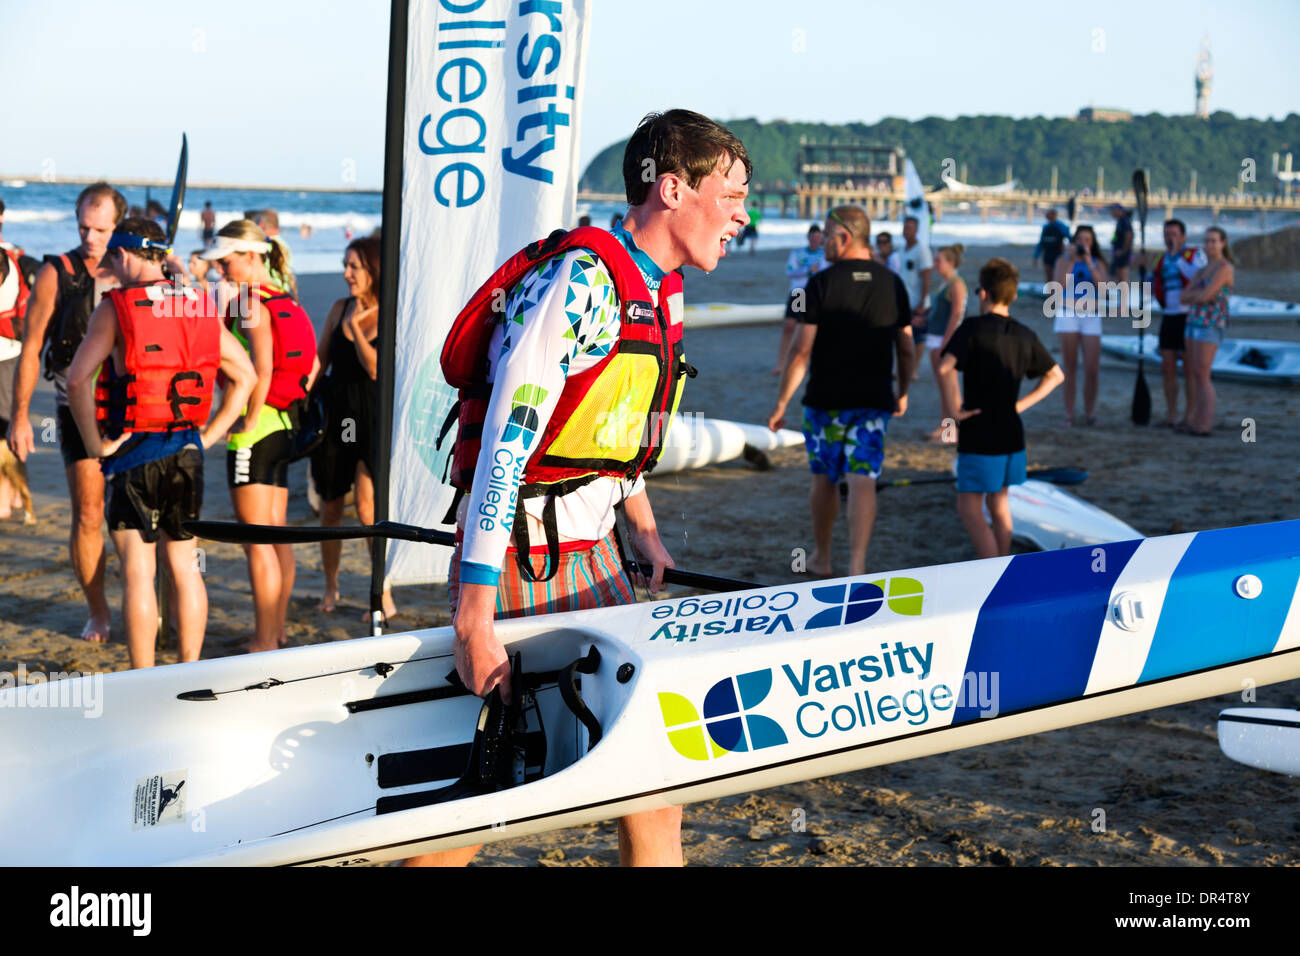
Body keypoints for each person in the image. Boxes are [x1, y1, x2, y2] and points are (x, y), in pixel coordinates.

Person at [405, 109, 751, 869]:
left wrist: (644, 528)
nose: (742, 216)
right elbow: (504, 446)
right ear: (671, 190)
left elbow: (615, 426)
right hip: (523, 566)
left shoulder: (664, 291)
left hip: (599, 560)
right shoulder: (582, 284)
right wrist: (473, 617)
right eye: (731, 195)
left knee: (655, 783)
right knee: (492, 802)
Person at [64, 218, 256, 668]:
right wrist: (208, 435)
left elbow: (76, 382)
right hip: (186, 450)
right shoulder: (200, 303)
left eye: (113, 256)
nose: (110, 265)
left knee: (138, 571)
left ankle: (143, 676)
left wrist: (96, 447)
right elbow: (245, 376)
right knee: (187, 567)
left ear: (126, 254)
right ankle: (189, 666)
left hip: (134, 451)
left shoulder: (117, 307)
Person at [766, 204, 913, 578]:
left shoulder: (820, 282)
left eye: (829, 236)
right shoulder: (893, 283)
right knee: (864, 477)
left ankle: (822, 556)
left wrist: (782, 402)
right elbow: (907, 346)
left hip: (826, 401)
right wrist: (904, 389)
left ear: (845, 238)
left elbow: (801, 350)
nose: (824, 244)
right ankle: (858, 564)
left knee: (825, 478)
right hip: (874, 398)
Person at [7, 182, 126, 643]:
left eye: (101, 229)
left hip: (135, 409)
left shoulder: (135, 269)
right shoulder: (57, 272)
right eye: (83, 226)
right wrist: (20, 415)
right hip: (76, 407)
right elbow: (31, 346)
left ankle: (153, 601)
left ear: (119, 225)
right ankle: (99, 612)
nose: (91, 237)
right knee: (89, 513)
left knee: (138, 515)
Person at [201, 219, 318, 653]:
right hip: (284, 424)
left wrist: (247, 421)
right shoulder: (285, 297)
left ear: (251, 256)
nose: (222, 270)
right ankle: (277, 629)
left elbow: (261, 369)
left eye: (227, 261)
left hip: (257, 429)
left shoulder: (251, 300)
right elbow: (314, 365)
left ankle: (264, 639)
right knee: (277, 535)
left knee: (256, 543)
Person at [937, 258, 1064, 558]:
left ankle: (991, 568)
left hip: (980, 432)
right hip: (1011, 432)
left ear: (983, 293)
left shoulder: (972, 328)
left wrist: (953, 410)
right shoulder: (1024, 334)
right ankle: (1002, 566)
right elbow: (1056, 375)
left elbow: (944, 369)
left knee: (969, 508)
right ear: (1014, 295)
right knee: (999, 502)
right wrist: (1020, 405)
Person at [310, 235, 394, 620]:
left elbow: (376, 367)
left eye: (353, 267)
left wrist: (358, 326)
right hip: (341, 419)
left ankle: (383, 591)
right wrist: (300, 399)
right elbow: (320, 360)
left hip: (372, 417)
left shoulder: (390, 310)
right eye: (345, 265)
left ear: (373, 270)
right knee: (330, 506)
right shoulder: (338, 306)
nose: (346, 274)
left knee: (366, 508)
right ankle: (331, 587)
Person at [1138, 219, 1206, 428]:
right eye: (1167, 234)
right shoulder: (1160, 259)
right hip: (1169, 316)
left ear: (1183, 236)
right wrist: (1141, 271)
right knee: (1167, 367)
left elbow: (1198, 276)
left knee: (1188, 368)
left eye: (1174, 234)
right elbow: (1148, 289)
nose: (1170, 238)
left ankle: (1190, 415)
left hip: (1189, 316)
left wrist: (1178, 256)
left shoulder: (1194, 256)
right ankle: (1171, 415)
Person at [1179, 227, 1234, 437]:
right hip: (1194, 321)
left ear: (1223, 243)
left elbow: (1205, 296)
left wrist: (1198, 295)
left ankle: (1205, 423)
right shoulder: (1204, 269)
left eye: (1214, 241)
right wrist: (1199, 294)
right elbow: (1184, 296)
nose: (1209, 245)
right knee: (1194, 373)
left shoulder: (1224, 268)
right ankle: (1196, 419)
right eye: (1207, 241)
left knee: (1203, 374)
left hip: (1211, 324)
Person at [1051, 224, 1108, 425]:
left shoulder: (1097, 262)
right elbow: (1056, 289)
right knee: (1070, 366)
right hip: (1068, 314)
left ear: (1092, 244)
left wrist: (1089, 263)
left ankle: (1090, 413)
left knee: (1092, 368)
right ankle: (1069, 414)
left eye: (1087, 240)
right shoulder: (1063, 261)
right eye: (1080, 240)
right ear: (1074, 242)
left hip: (1091, 315)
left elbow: (1103, 290)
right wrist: (1072, 262)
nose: (1083, 244)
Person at [0, 248, 35, 523]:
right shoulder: (15, 253)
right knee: (9, 428)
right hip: (13, 354)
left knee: (6, 431)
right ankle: (11, 496)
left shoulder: (8, 256)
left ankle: (7, 500)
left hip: (6, 355)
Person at [923, 244, 969, 442]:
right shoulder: (944, 283)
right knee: (943, 387)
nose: (935, 264)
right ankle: (945, 426)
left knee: (950, 387)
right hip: (935, 337)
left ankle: (953, 429)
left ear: (950, 262)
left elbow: (957, 313)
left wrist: (947, 340)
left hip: (945, 339)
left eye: (938, 260)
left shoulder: (956, 284)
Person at [773, 224, 826, 372]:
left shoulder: (825, 253)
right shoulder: (798, 253)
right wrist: (808, 270)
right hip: (799, 293)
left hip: (817, 294)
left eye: (818, 237)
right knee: (790, 326)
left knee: (815, 329)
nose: (815, 240)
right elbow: (790, 272)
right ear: (808, 238)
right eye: (813, 237)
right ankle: (781, 364)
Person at [897, 216, 931, 377]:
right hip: (904, 300)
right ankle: (903, 368)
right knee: (902, 336)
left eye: (910, 228)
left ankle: (914, 369)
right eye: (905, 228)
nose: (906, 231)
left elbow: (926, 277)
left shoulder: (921, 250)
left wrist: (922, 302)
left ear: (916, 230)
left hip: (918, 301)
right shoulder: (902, 249)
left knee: (918, 338)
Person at [252, 209, 293, 293]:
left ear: (261, 225)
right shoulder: (284, 245)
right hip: (284, 292)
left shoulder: (263, 246)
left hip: (268, 292)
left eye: (255, 225)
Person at [1032, 208, 1070, 284]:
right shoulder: (1046, 227)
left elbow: (1070, 238)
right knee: (1049, 276)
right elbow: (1041, 243)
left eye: (1049, 214)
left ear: (1054, 215)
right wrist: (1035, 256)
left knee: (1057, 276)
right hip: (1047, 255)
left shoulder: (1061, 226)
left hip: (1058, 255)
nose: (1047, 216)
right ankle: (1050, 294)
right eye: (1047, 214)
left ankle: (1057, 293)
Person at [1109, 203, 1133, 285]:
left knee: (1122, 275)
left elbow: (1129, 235)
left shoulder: (1124, 221)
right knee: (1117, 274)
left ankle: (1123, 295)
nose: (1112, 213)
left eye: (1113, 211)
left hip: (1122, 254)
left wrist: (1123, 250)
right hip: (1119, 252)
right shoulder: (1120, 221)